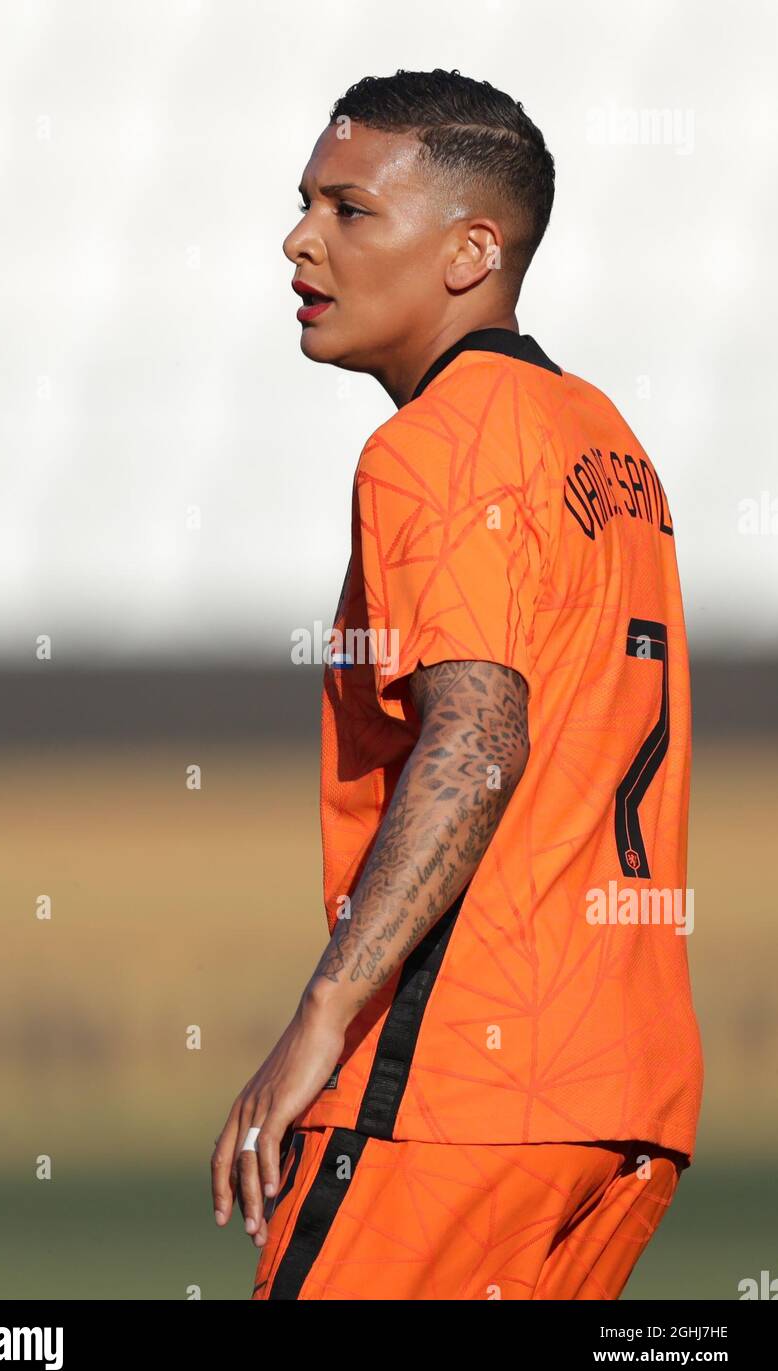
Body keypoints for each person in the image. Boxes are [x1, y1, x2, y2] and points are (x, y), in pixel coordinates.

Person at [211, 67, 704, 1301]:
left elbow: (478, 736)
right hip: (623, 1093)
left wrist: (323, 1015)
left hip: (458, 1092)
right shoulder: (603, 439)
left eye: (348, 209)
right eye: (304, 205)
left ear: (469, 249)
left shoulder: (434, 444)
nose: (300, 239)